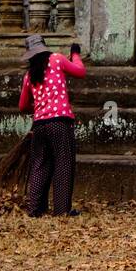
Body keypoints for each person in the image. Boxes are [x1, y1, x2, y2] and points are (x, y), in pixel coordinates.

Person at [18, 34, 85, 217]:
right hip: (60, 123)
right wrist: (75, 54)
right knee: (63, 164)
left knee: (40, 165)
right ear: (44, 48)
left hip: (39, 125)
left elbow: (23, 106)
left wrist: (41, 105)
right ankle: (62, 210)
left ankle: (35, 209)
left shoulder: (29, 75)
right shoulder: (57, 60)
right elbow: (80, 71)